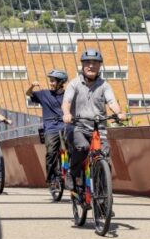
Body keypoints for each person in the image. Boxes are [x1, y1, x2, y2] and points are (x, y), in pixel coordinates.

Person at [61, 49, 127, 187]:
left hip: (99, 128)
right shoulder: (74, 84)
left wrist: (119, 112)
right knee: (83, 147)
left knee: (104, 157)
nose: (91, 66)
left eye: (95, 63)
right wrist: (67, 114)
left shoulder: (104, 85)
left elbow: (112, 102)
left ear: (100, 66)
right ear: (82, 65)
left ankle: (104, 201)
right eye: (87, 62)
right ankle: (72, 173)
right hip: (77, 126)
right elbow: (66, 102)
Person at [26, 69, 70, 183]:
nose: (51, 83)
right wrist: (32, 86)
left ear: (61, 82)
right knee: (51, 152)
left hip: (66, 126)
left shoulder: (68, 95)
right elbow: (28, 94)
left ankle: (74, 175)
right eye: (50, 81)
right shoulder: (44, 94)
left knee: (75, 149)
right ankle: (52, 178)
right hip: (51, 127)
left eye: (53, 81)